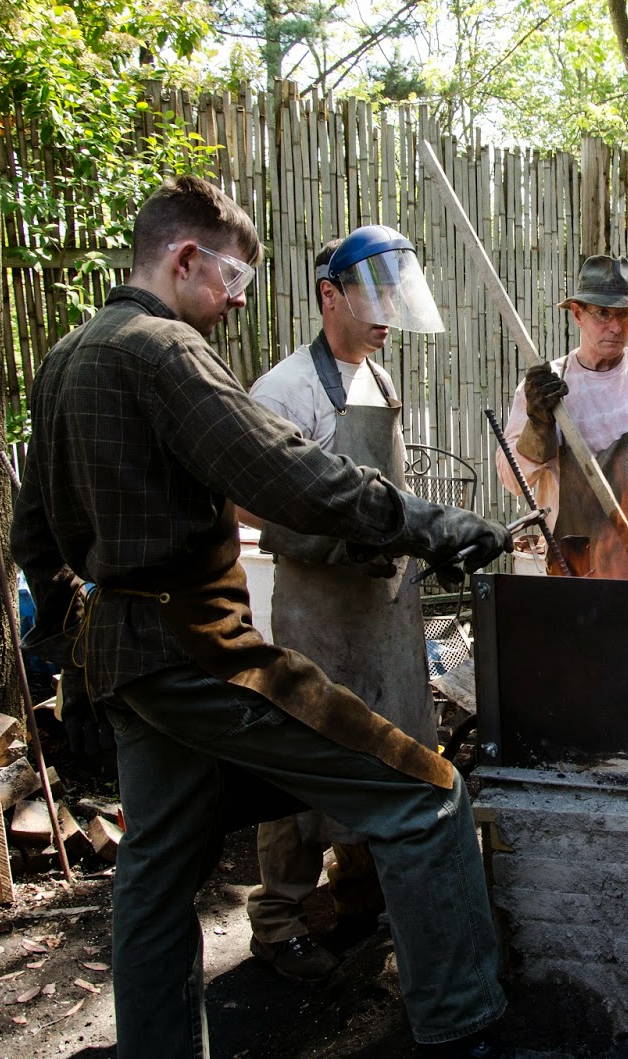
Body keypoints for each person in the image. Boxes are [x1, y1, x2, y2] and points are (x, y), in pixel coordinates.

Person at [12, 175, 518, 1059]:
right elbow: (287, 474)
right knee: (426, 793)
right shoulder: (164, 352)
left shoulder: (64, 359)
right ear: (184, 259)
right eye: (235, 279)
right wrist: (429, 524)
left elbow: (33, 537)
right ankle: (467, 1030)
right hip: (198, 651)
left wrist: (72, 658)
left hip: (128, 665)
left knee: (157, 873)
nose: (240, 301)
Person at [238, 227, 441, 981]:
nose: (388, 315)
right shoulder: (284, 390)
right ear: (330, 295)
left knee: (378, 750)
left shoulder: (378, 380)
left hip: (380, 612)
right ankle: (279, 919)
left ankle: (358, 894)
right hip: (318, 615)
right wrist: (335, 543)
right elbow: (247, 499)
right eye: (373, 297)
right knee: (303, 763)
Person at [496, 255, 628, 578]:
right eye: (603, 314)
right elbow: (512, 481)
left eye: (624, 315)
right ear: (577, 314)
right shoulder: (544, 390)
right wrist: (537, 425)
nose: (616, 327)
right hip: (574, 574)